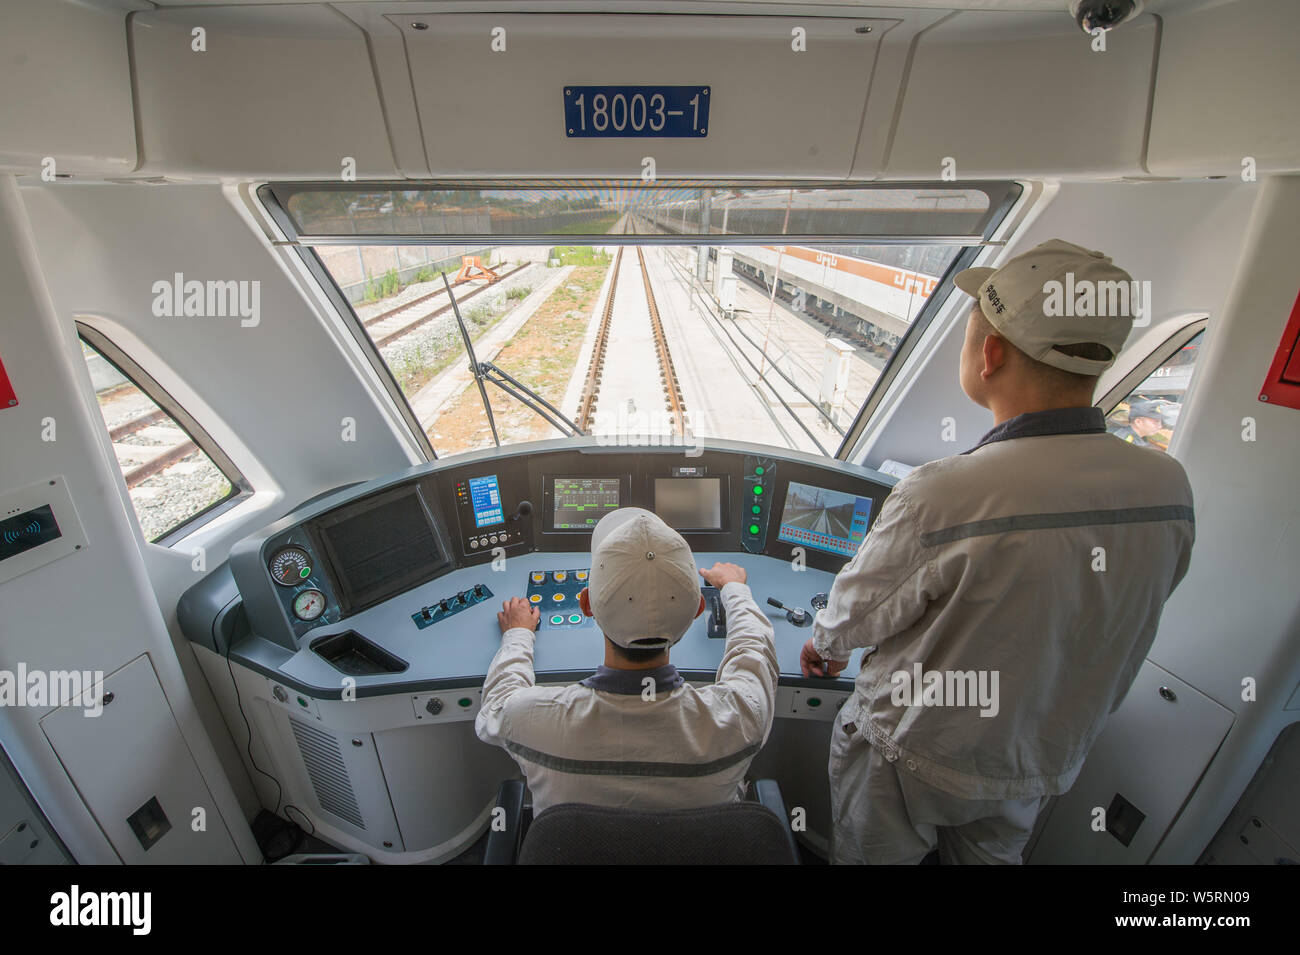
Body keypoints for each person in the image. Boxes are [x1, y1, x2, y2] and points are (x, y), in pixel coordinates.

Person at [800, 239, 1195, 864]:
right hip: (1035, 760)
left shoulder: (946, 492)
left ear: (990, 353)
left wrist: (822, 644)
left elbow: (858, 611)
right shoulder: (1167, 488)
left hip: (913, 754)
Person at [476, 506, 778, 813]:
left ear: (586, 604)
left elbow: (495, 706)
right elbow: (754, 648)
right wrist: (735, 589)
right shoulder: (742, 716)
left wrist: (518, 635)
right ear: (698, 608)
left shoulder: (532, 720)